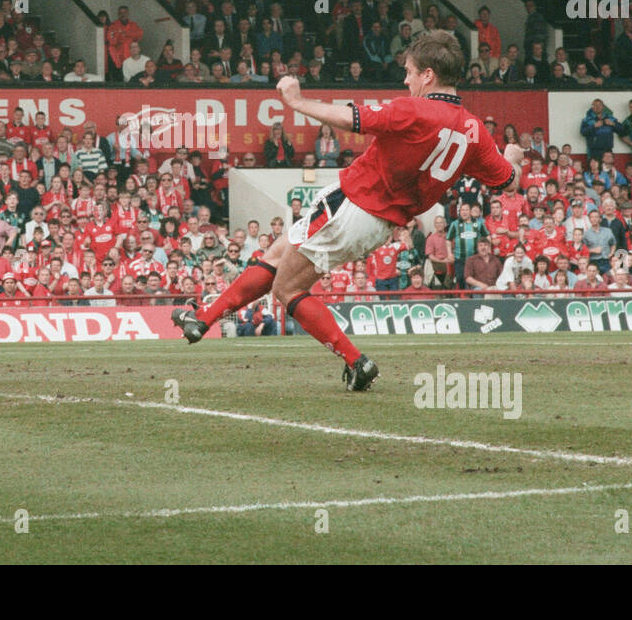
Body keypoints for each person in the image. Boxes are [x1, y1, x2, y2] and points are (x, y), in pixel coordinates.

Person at [172, 31, 523, 390]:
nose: (406, 80)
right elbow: (509, 182)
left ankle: (357, 361)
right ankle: (202, 318)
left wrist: (297, 101)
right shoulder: (475, 131)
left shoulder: (414, 109)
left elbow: (351, 118)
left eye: (410, 72)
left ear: (428, 75)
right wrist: (512, 157)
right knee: (279, 253)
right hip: (381, 226)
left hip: (352, 204)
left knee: (288, 290)